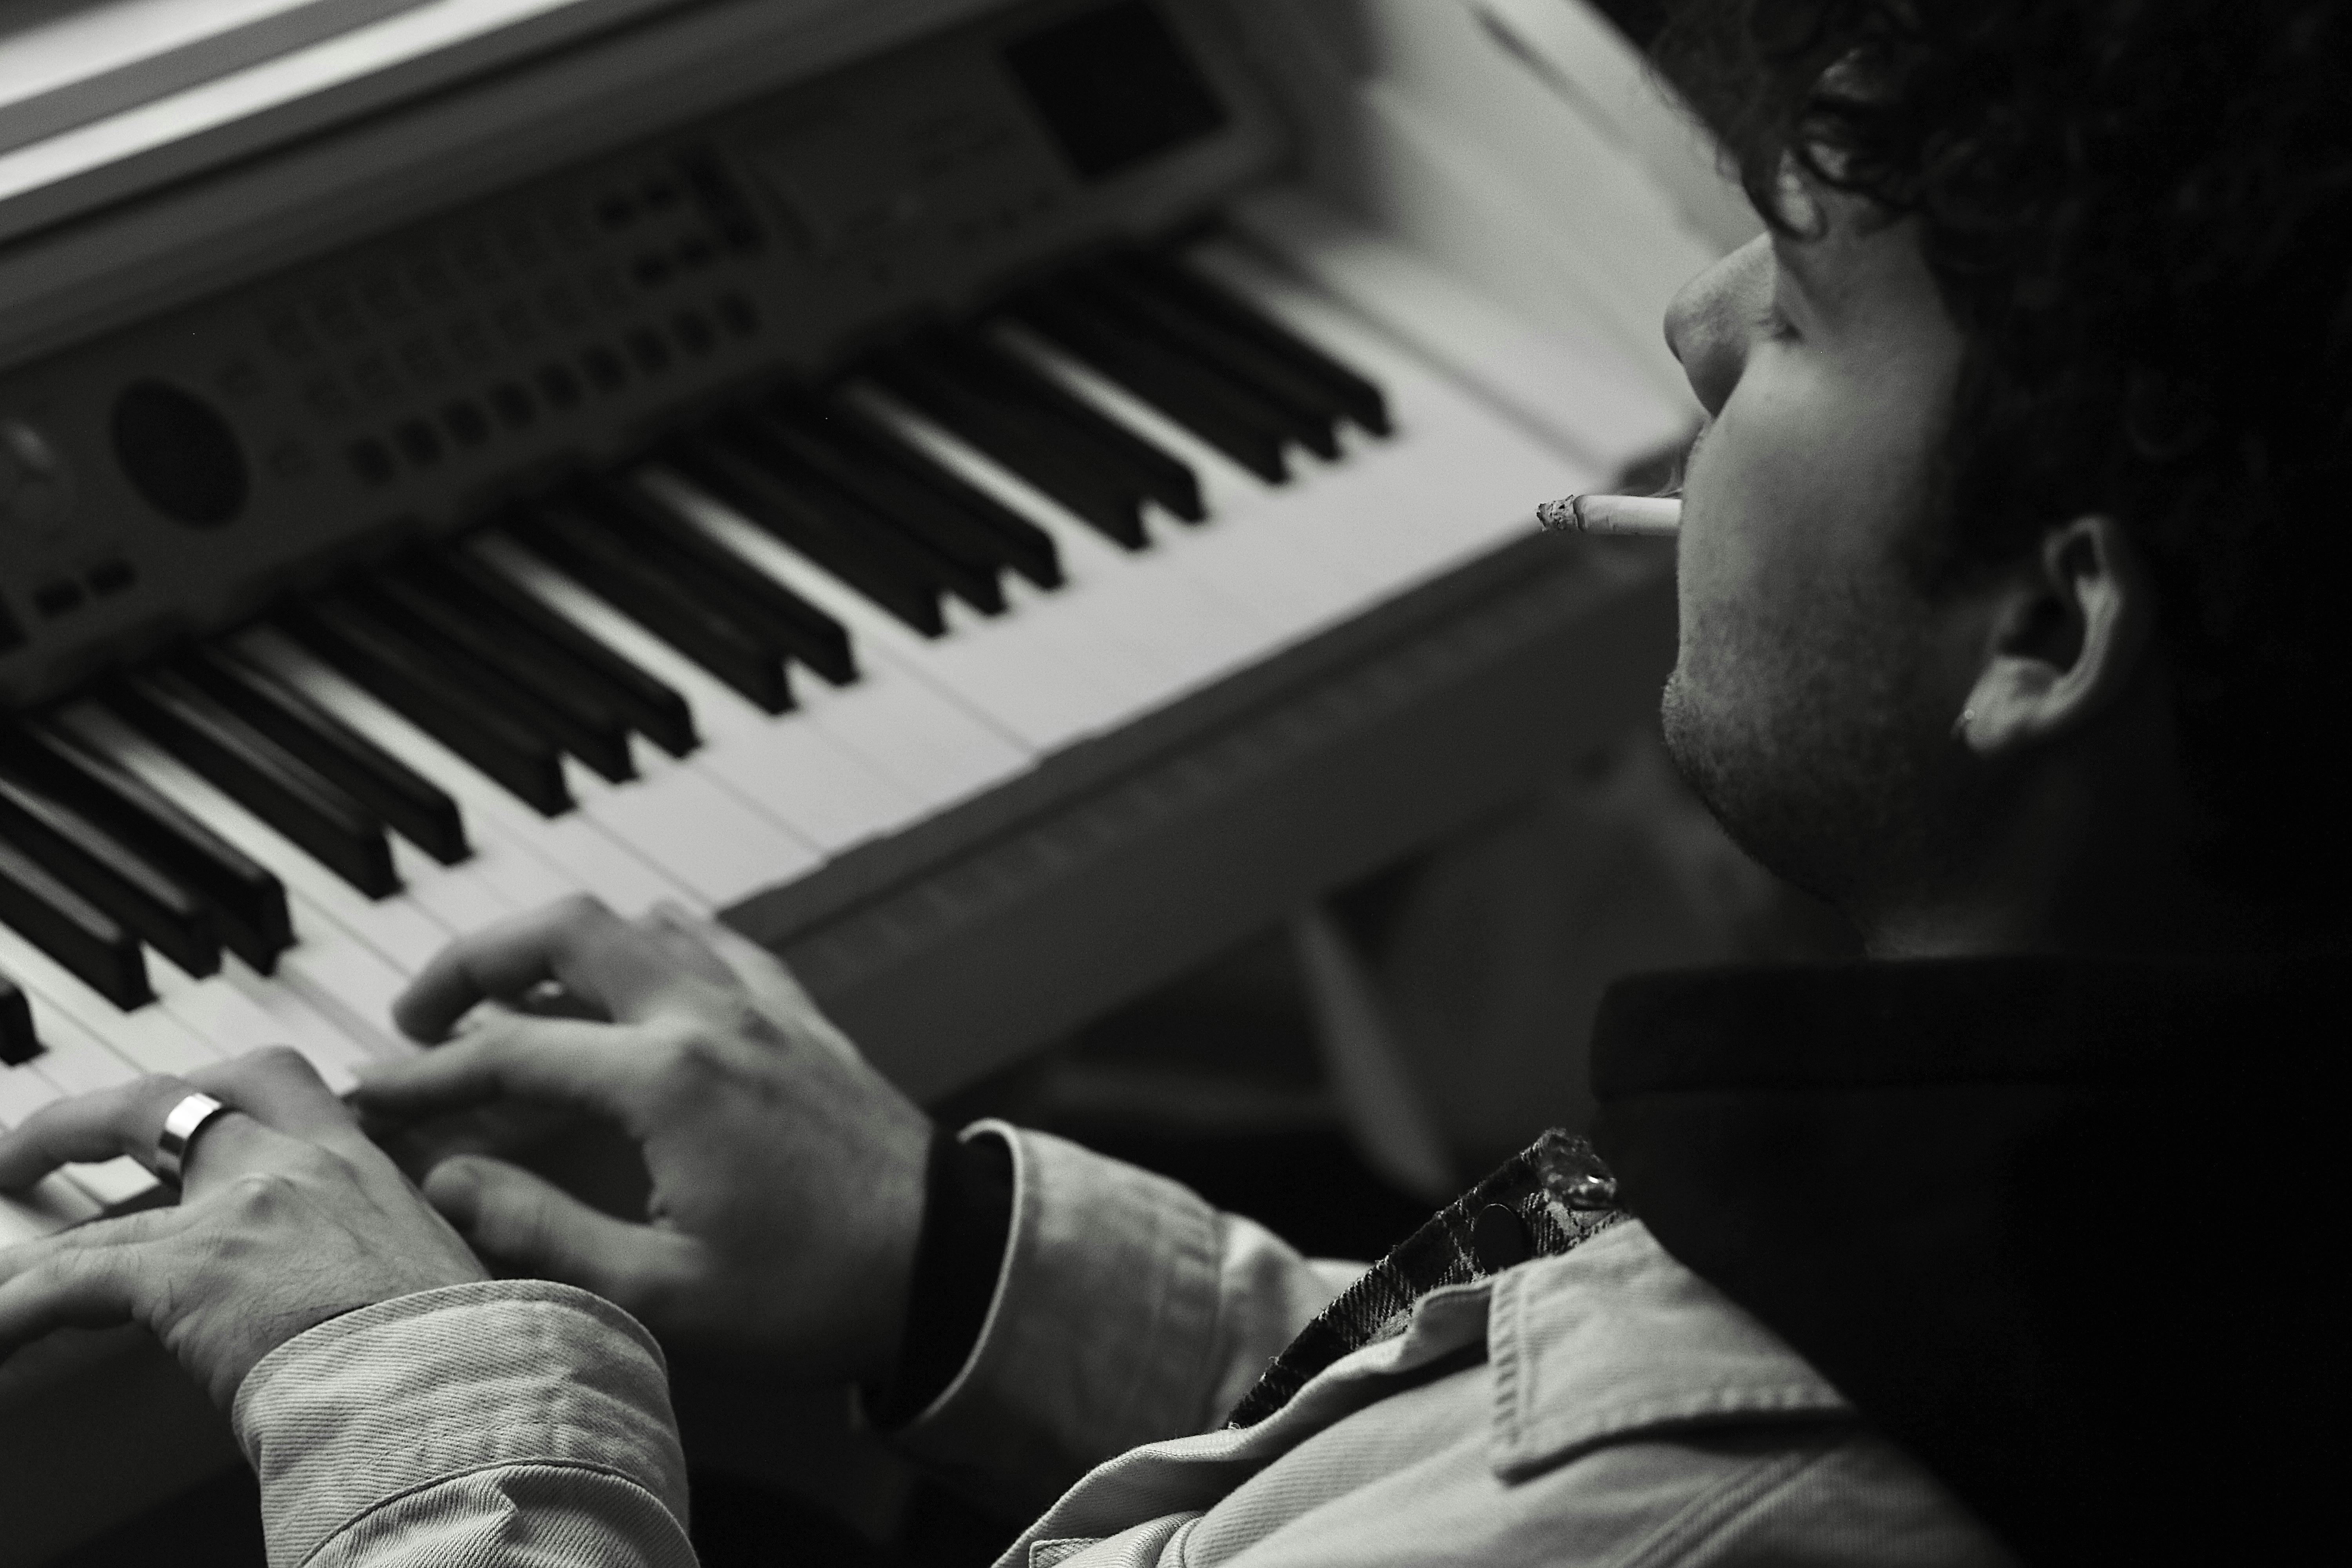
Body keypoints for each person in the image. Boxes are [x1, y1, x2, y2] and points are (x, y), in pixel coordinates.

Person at [2, 0, 2344, 1561]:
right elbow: (1519, 1421)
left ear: (2043, 634)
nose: (1697, 323)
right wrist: (962, 1267)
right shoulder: (2136, 1221)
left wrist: (415, 1391)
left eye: (1810, 314)